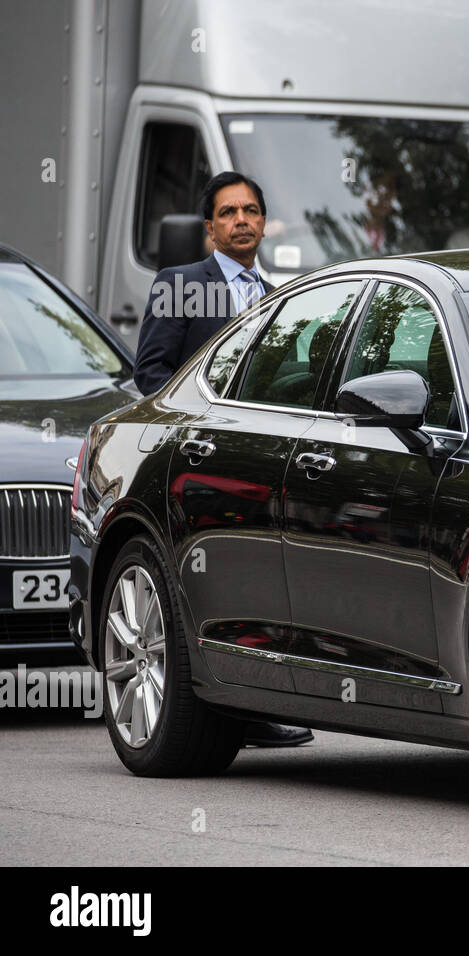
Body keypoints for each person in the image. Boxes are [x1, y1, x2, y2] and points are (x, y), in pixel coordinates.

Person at [134, 170, 313, 749]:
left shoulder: (283, 297)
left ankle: (257, 705)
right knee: (213, 588)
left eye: (252, 211)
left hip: (263, 468)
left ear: (264, 222)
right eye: (229, 213)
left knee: (259, 588)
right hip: (203, 463)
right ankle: (222, 711)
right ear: (210, 228)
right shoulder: (181, 283)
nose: (242, 221)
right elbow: (151, 374)